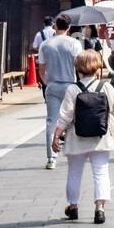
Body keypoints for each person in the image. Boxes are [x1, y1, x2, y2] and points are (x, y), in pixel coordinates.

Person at [51, 49, 114, 224]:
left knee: (74, 172)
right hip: (100, 137)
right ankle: (99, 208)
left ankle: (73, 206)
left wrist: (56, 135)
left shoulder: (73, 89)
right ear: (97, 67)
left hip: (77, 137)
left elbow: (65, 115)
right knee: (101, 172)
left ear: (78, 68)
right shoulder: (105, 87)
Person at [37, 14, 81, 170]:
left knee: (52, 121)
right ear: (68, 27)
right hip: (70, 85)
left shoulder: (45, 45)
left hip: (53, 85)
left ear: (55, 26)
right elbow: (79, 66)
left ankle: (51, 158)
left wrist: (47, 82)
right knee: (73, 120)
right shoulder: (74, 43)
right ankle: (73, 152)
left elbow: (41, 69)